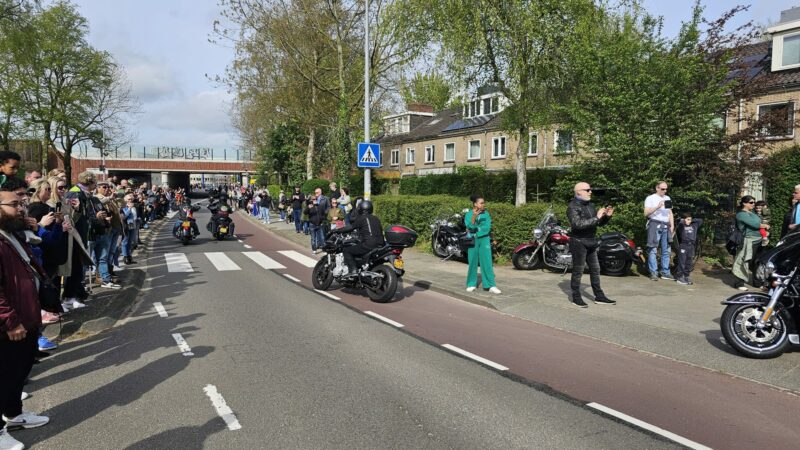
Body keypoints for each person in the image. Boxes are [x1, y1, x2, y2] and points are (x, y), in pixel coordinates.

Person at [0, 189, 51, 450]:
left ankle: (14, 413)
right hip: (10, 324)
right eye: (14, 204)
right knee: (5, 374)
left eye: (22, 204)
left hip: (27, 316)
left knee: (19, 370)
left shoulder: (12, 233)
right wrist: (10, 321)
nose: (21, 208)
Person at [566, 182, 616, 307]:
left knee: (596, 269)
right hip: (578, 242)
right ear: (579, 192)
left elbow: (597, 223)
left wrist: (606, 217)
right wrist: (597, 217)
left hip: (591, 241)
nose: (590, 192)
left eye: (590, 189)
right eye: (587, 190)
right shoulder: (572, 206)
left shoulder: (590, 205)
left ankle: (599, 296)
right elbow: (577, 224)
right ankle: (576, 297)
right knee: (578, 270)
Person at [331, 199, 385, 274]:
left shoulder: (362, 218)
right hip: (381, 244)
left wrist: (337, 230)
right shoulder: (376, 218)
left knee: (346, 250)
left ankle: (353, 270)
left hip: (369, 244)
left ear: (362, 209)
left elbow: (351, 227)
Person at [464, 195, 501, 294]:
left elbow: (487, 227)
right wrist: (474, 216)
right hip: (472, 240)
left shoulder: (486, 214)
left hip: (484, 239)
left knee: (487, 262)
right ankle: (471, 284)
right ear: (475, 204)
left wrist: (476, 231)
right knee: (472, 262)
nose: (483, 204)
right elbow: (469, 227)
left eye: (483, 203)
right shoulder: (469, 214)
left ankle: (490, 285)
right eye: (481, 203)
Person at [732, 195, 768, 290]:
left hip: (758, 240)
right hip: (748, 240)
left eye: (754, 202)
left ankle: (757, 283)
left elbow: (759, 221)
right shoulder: (741, 214)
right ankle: (739, 283)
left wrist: (762, 225)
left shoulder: (752, 213)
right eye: (751, 202)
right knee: (743, 260)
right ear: (744, 203)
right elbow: (756, 224)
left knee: (757, 262)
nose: (754, 204)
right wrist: (763, 225)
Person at [644, 181, 675, 281]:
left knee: (666, 250)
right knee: (653, 249)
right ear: (657, 188)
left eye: (666, 189)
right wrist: (657, 206)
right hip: (655, 224)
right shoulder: (650, 198)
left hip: (666, 225)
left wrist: (672, 225)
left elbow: (670, 212)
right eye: (663, 189)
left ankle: (665, 272)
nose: (665, 191)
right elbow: (646, 213)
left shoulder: (667, 198)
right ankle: (653, 272)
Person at [674, 212, 703, 286]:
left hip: (691, 246)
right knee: (682, 261)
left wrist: (691, 220)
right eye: (687, 219)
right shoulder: (682, 225)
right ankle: (680, 277)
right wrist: (684, 220)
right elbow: (678, 221)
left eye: (690, 219)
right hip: (683, 245)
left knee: (689, 262)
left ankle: (686, 276)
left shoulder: (694, 225)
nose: (689, 221)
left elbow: (700, 220)